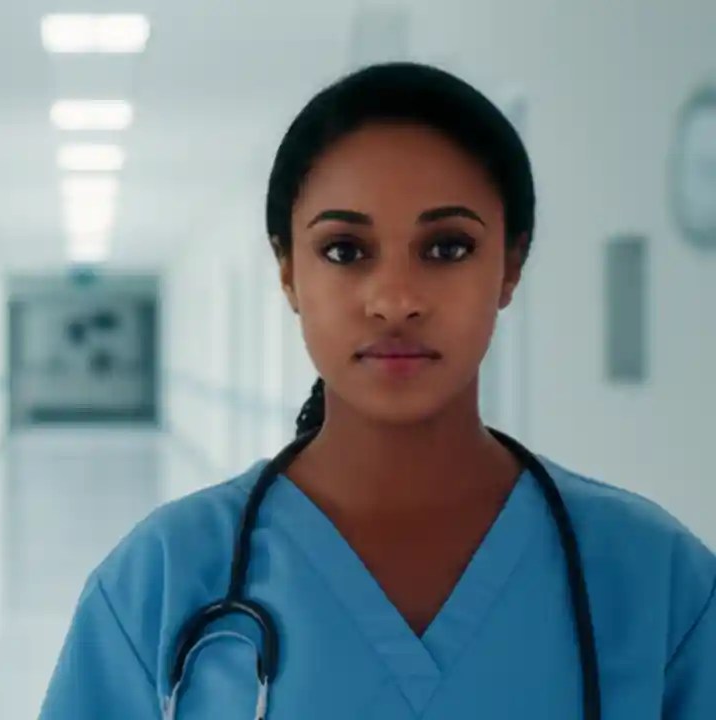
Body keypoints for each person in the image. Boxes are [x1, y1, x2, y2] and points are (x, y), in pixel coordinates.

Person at [39, 62, 715, 718]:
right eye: (344, 250)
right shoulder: (165, 578)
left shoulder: (653, 578)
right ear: (287, 272)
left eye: (447, 248)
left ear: (511, 266)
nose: (395, 299)